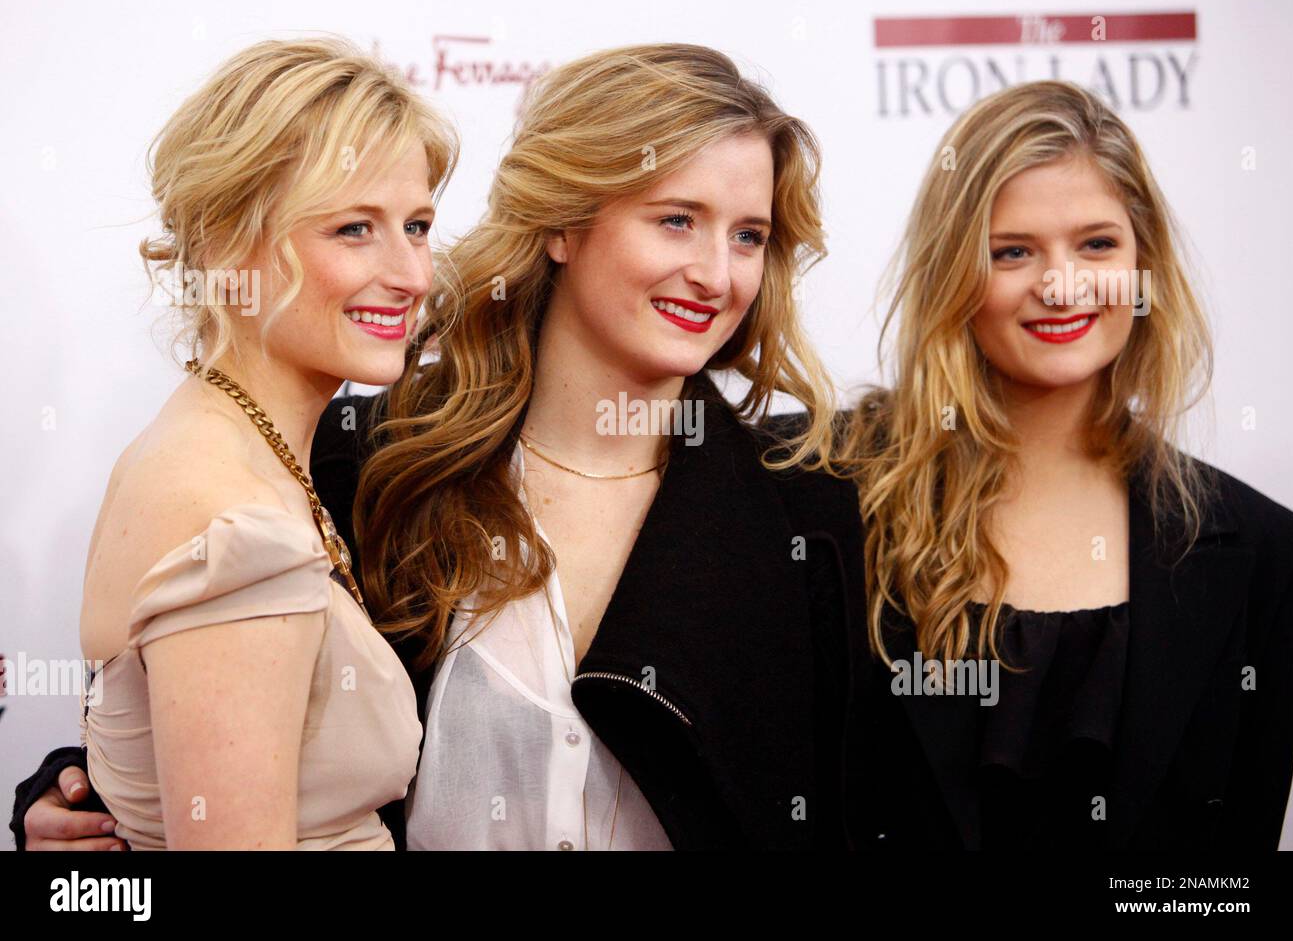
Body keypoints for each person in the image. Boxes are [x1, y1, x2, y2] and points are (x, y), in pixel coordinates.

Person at [15, 43, 864, 851]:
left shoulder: (808, 509)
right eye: (678, 221)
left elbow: (871, 805)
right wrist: (74, 796)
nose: (718, 274)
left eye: (749, 236)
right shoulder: (373, 462)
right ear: (563, 223)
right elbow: (204, 718)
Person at [11, 36, 457, 849]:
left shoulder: (227, 445)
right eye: (355, 229)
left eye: (418, 225)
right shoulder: (230, 508)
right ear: (225, 242)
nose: (412, 273)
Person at [834, 80, 1293, 850]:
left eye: (1096, 244)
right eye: (1012, 251)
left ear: (1143, 262)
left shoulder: (1266, 555)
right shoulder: (829, 496)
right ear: (952, 270)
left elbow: (1223, 884)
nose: (1061, 285)